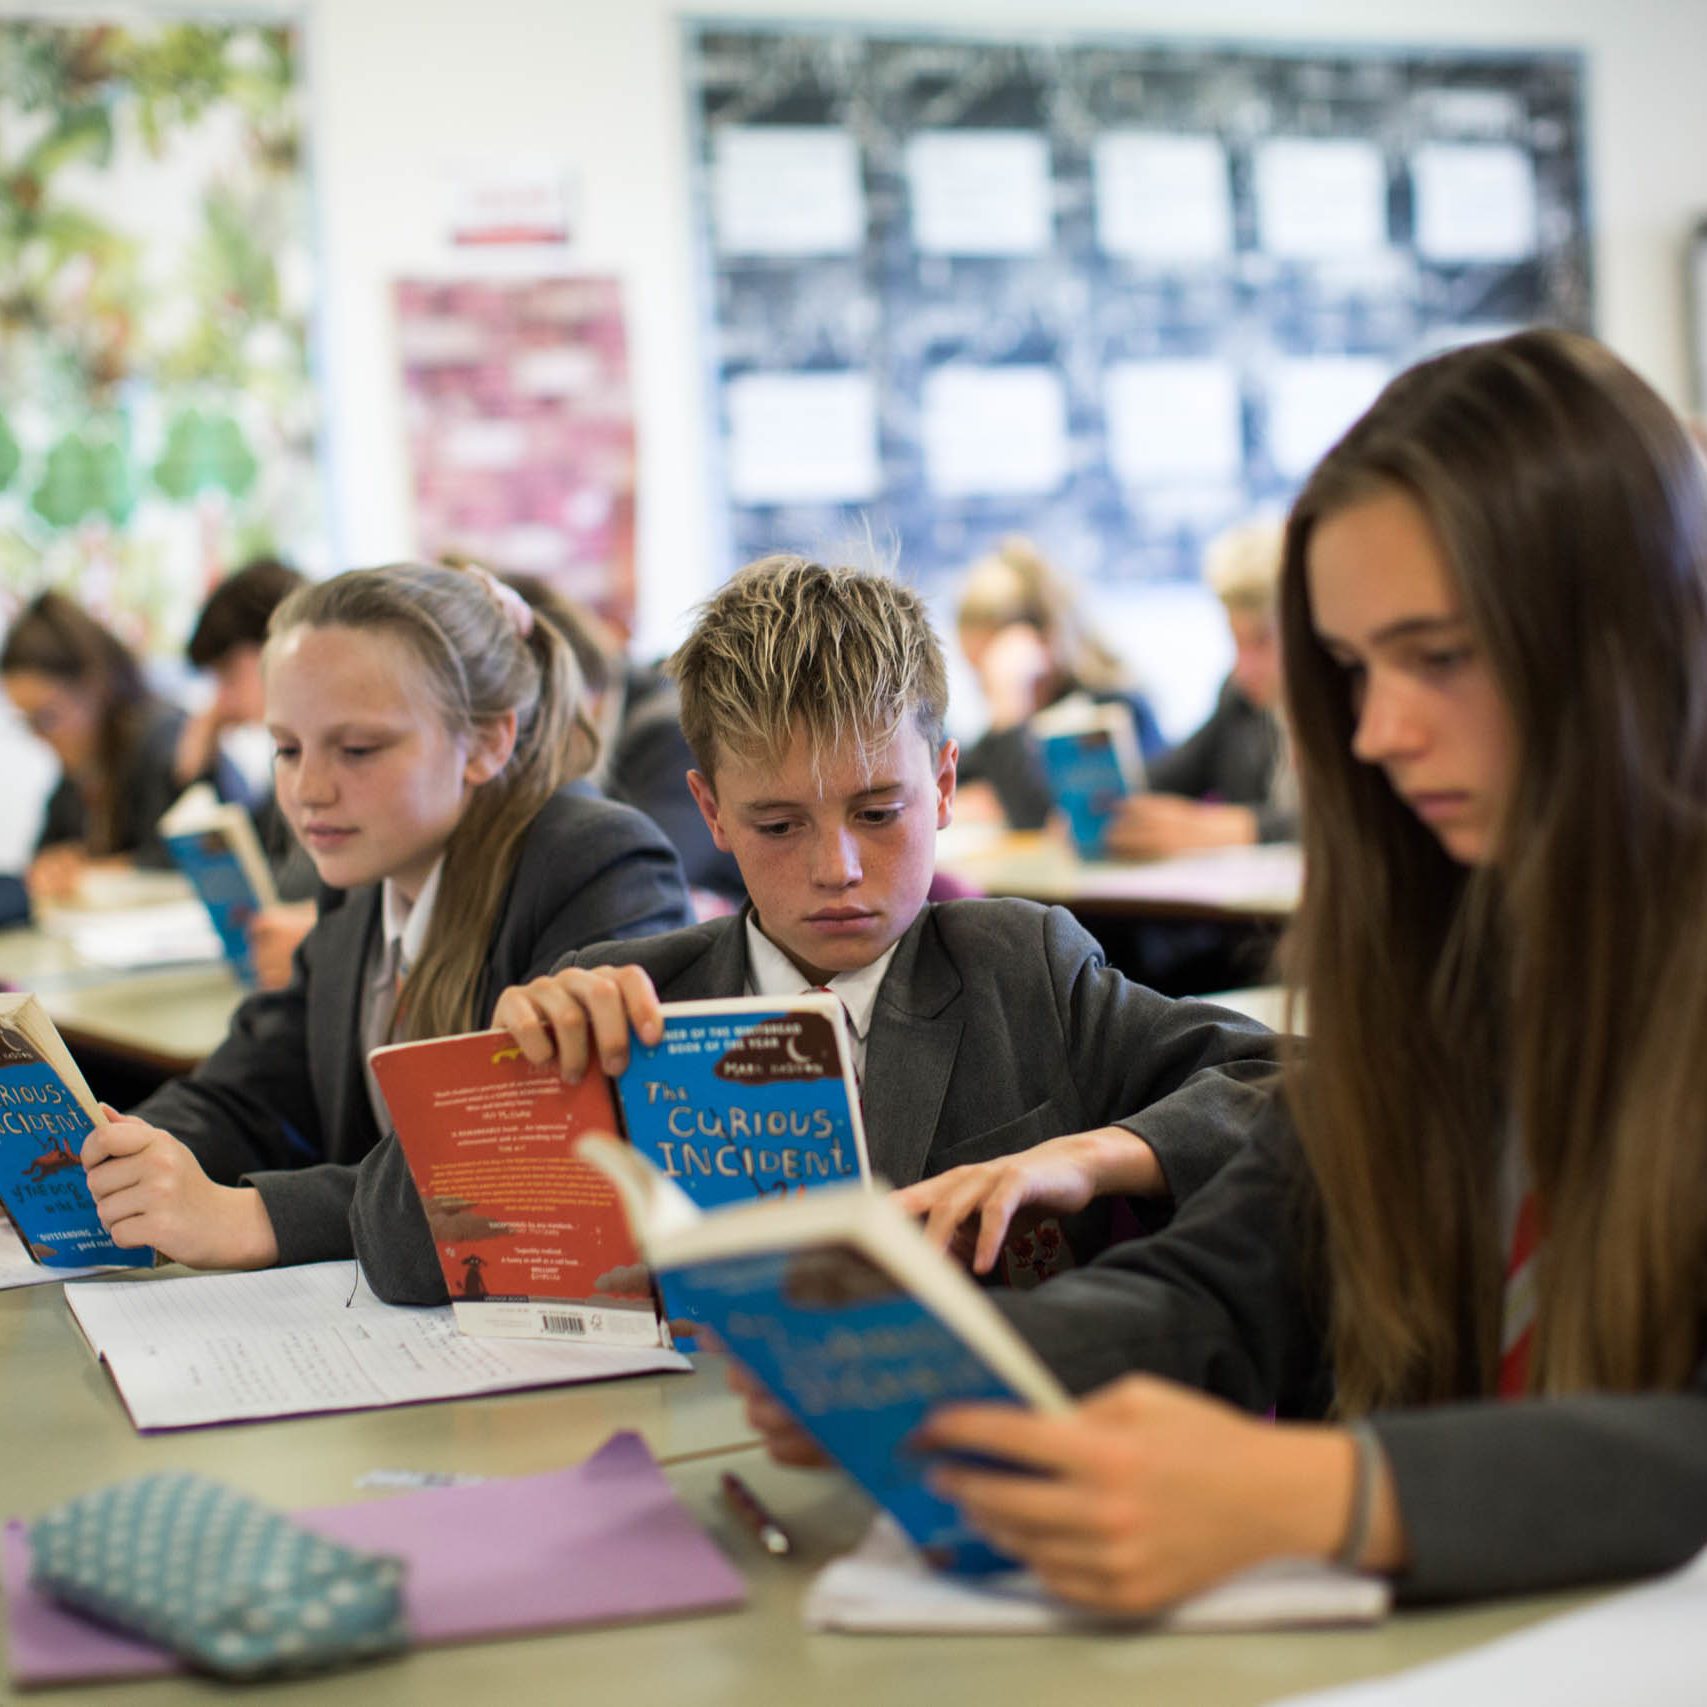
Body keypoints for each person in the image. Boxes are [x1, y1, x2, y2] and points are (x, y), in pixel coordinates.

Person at [882, 329, 1707, 1609]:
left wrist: (1340, 1493)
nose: (1379, 730)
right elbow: (1224, 1277)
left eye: (1441, 656)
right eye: (1353, 670)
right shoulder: (1446, 965)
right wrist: (925, 1370)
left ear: (1632, 637)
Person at [351, 555, 1280, 1304]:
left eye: (879, 813)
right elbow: (396, 1253)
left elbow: (1291, 1088)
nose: (834, 867)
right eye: (777, 825)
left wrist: (1091, 1155)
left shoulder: (1024, 972)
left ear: (945, 784)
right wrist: (513, 1095)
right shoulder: (623, 1001)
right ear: (711, 813)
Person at [80, 562, 692, 1271]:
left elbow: (518, 1169)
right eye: (286, 748)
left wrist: (250, 1218)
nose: (308, 789)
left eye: (359, 749)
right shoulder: (361, 879)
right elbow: (251, 1090)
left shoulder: (594, 860)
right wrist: (108, 1158)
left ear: (490, 741)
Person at [1, 591, 243, 903]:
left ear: (93, 687)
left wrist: (90, 871)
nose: (39, 737)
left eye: (46, 718)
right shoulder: (78, 775)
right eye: (26, 723)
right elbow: (43, 857)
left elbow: (190, 859)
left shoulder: (162, 741)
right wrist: (51, 868)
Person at [1105, 518, 1298, 860]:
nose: (1244, 666)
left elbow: (1360, 816)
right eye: (1236, 642)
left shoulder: (1348, 704)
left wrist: (1236, 828)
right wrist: (1101, 803)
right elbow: (1174, 774)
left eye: (1262, 641)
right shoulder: (1240, 698)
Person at [954, 537, 1166, 830]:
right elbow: (961, 789)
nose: (985, 689)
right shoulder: (1014, 728)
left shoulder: (1110, 713)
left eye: (993, 675)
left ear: (1043, 643)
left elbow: (1040, 819)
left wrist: (1008, 710)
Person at [179, 557, 320, 988]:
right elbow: (245, 862)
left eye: (226, 673)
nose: (221, 700)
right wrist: (200, 769)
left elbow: (288, 887)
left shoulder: (331, 757)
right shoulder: (284, 755)